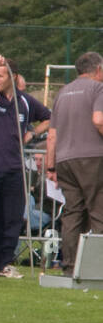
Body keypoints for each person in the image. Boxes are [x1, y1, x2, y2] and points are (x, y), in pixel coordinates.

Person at [0, 53, 51, 279]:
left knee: (12, 217)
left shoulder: (24, 101)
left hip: (14, 169)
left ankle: (3, 264)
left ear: (12, 77)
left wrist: (32, 133)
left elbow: (48, 117)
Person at [45, 51, 103, 272]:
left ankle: (69, 266)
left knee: (72, 213)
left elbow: (52, 135)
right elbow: (99, 120)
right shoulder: (99, 89)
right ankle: (97, 268)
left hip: (65, 160)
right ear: (98, 69)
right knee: (99, 212)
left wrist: (51, 166)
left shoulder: (62, 92)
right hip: (93, 159)